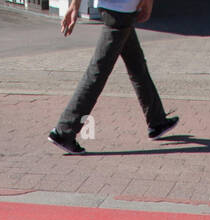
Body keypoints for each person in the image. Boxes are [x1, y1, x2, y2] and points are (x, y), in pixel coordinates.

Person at [49, 0, 178, 156]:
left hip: (113, 9)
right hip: (122, 11)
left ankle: (157, 120)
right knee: (97, 72)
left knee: (136, 64)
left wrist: (74, 6)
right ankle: (65, 131)